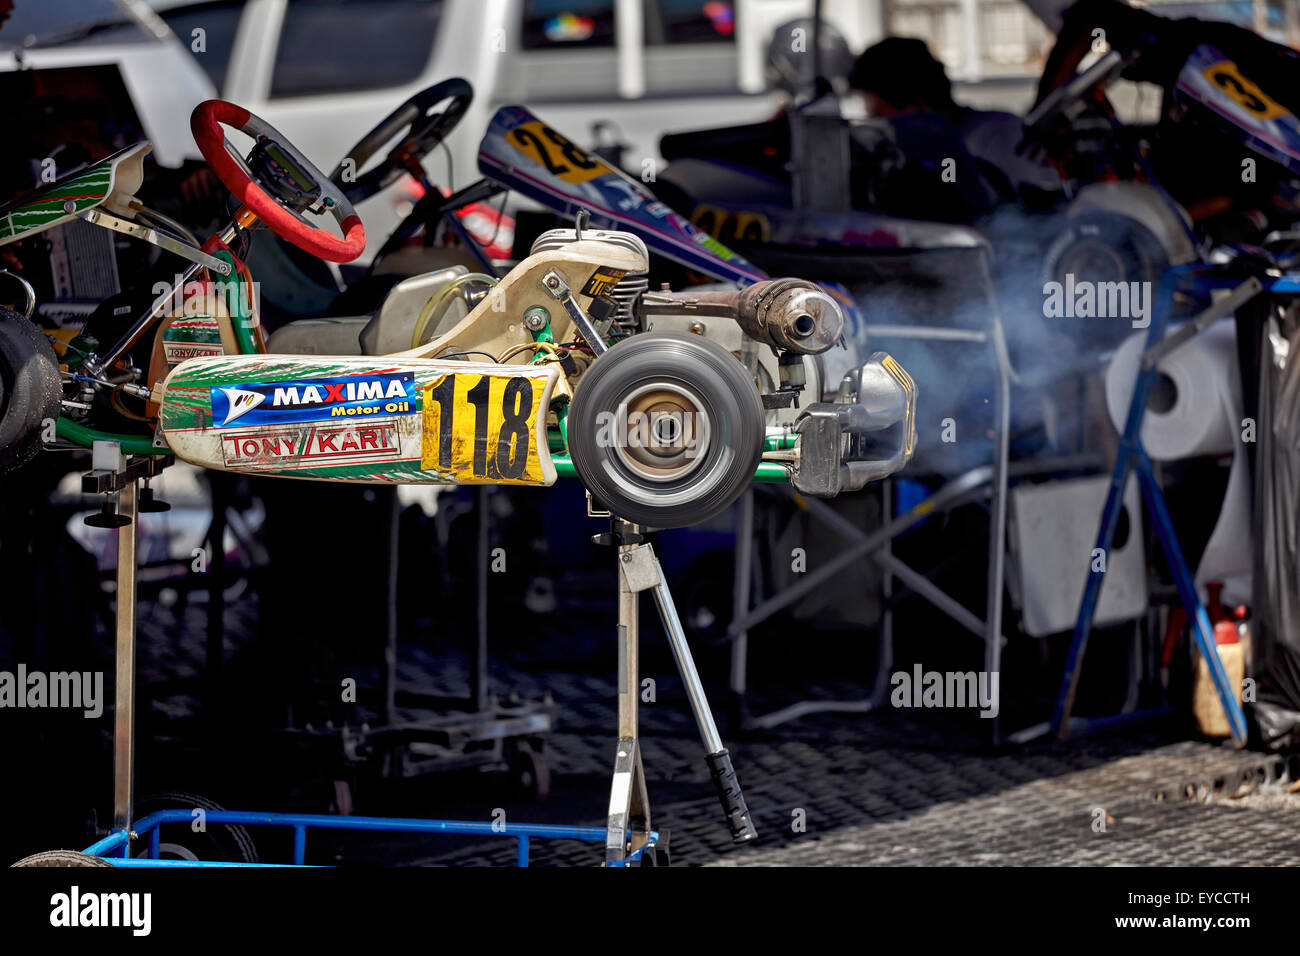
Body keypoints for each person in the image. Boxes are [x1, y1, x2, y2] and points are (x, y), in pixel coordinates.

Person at [849, 36, 1062, 211]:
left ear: (915, 104)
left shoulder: (993, 139)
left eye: (879, 113)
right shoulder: (957, 145)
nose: (882, 126)